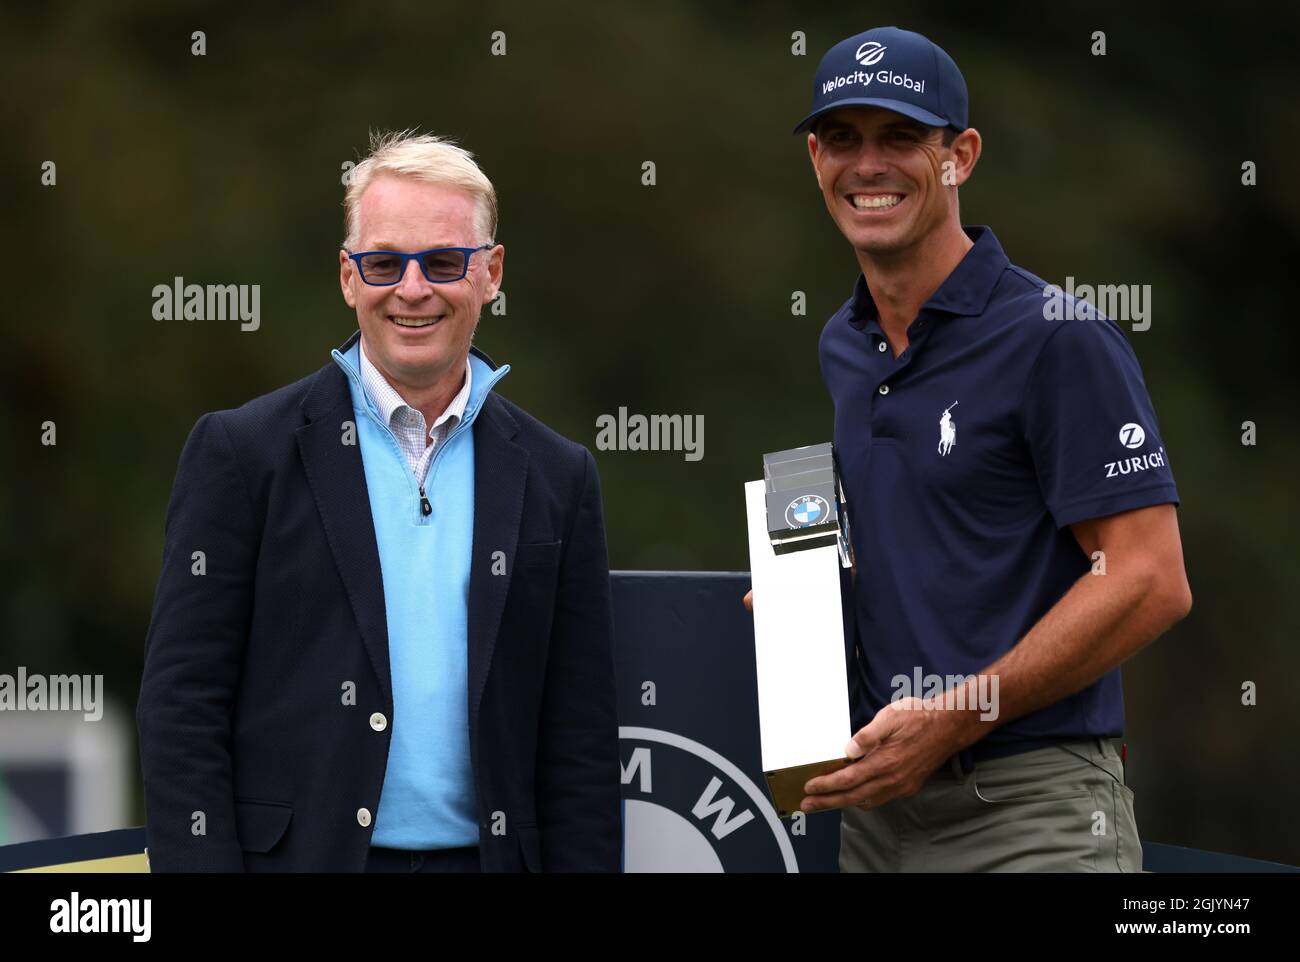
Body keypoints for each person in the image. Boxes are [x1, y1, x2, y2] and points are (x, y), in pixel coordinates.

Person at [747, 26, 1191, 871]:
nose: (867, 164)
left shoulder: (1058, 337)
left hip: (1031, 810)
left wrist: (956, 715)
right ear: (814, 158)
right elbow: (944, 549)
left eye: (901, 137)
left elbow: (1149, 579)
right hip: (879, 812)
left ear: (962, 155)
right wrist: (810, 603)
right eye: (842, 138)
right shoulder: (844, 342)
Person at [138, 130, 620, 873]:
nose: (414, 288)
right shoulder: (241, 455)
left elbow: (578, 741)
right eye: (386, 263)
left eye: (444, 262)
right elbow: (182, 710)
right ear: (347, 276)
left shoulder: (560, 477)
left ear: (491, 273)